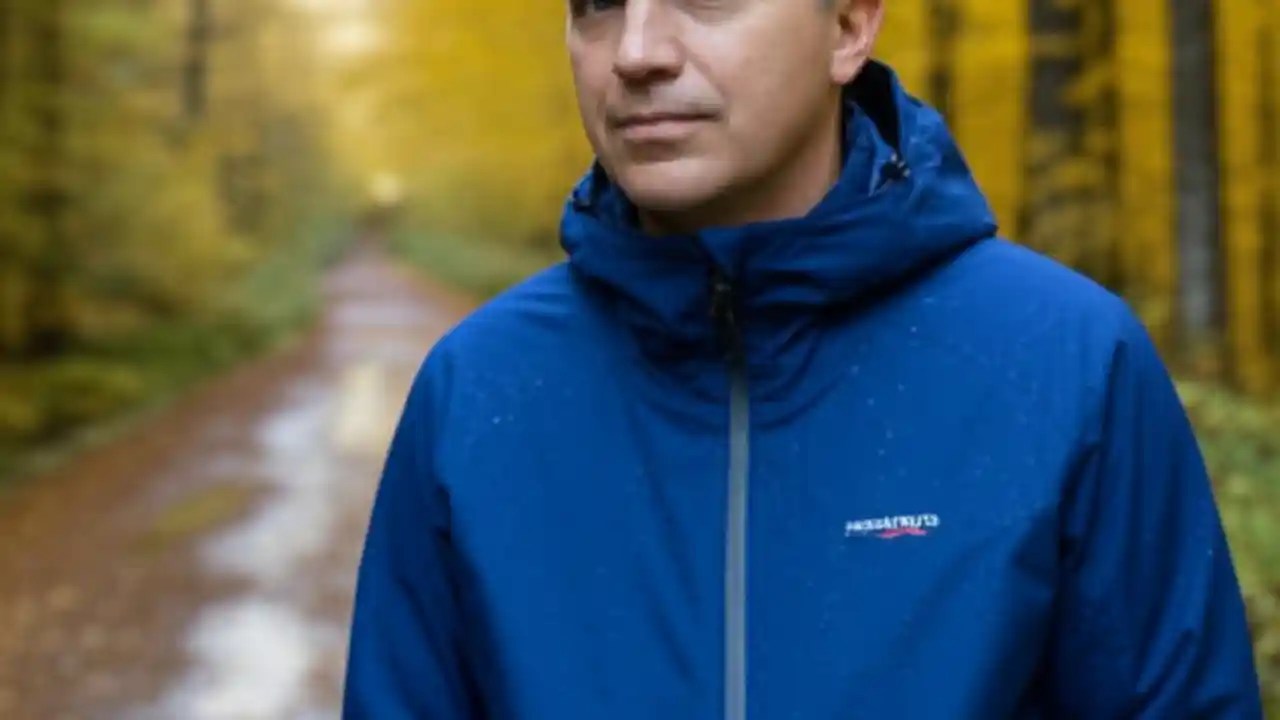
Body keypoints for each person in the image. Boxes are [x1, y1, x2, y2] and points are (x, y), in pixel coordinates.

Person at [342, 0, 1263, 717]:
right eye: (597, 3)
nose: (636, 51)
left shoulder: (1068, 364)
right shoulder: (480, 391)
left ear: (849, 26)